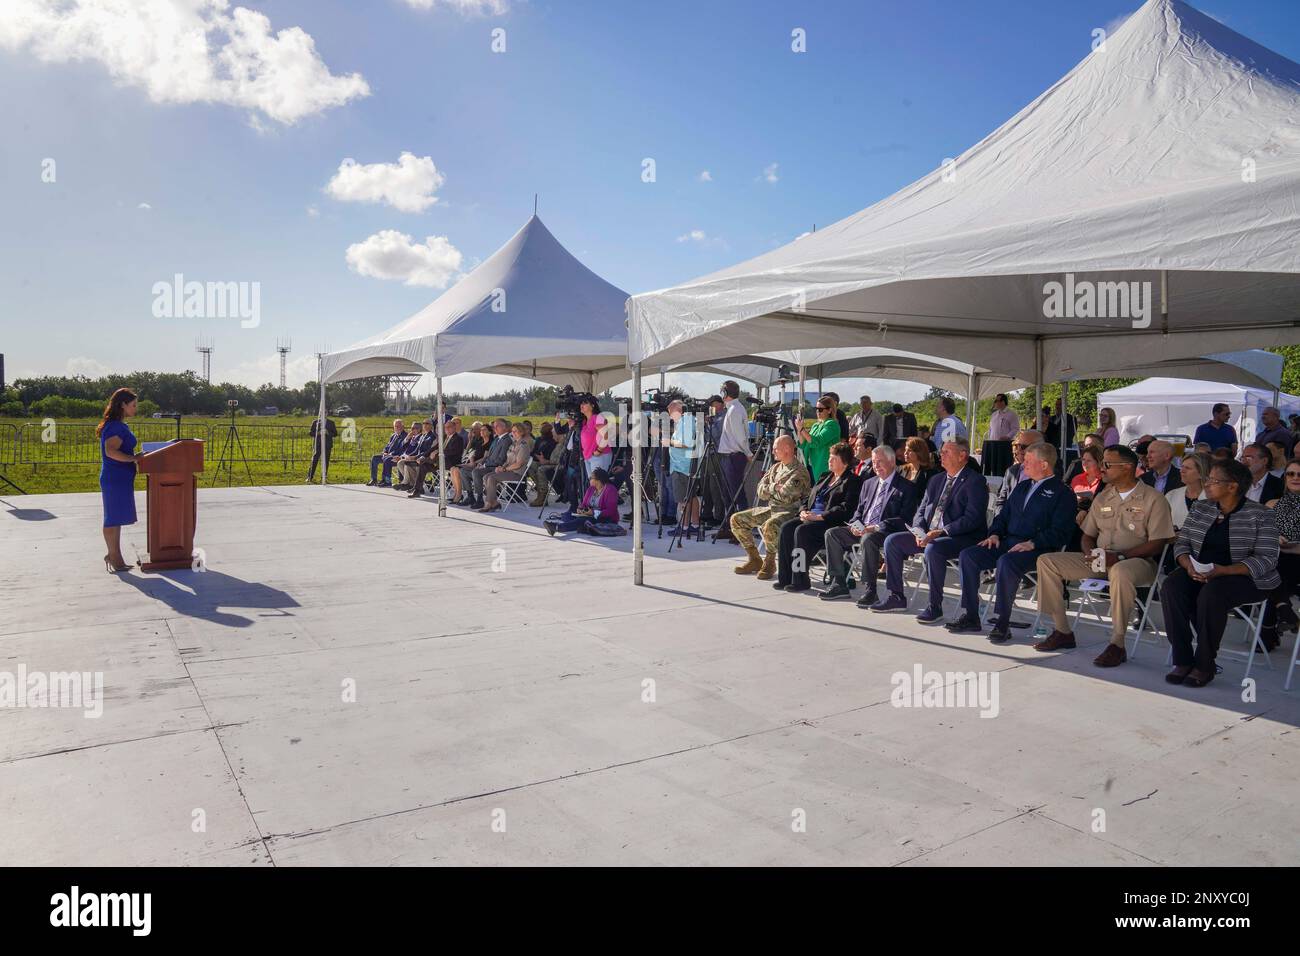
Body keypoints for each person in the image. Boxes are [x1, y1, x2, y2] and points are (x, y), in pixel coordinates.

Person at [1033, 445, 1175, 667]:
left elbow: (1158, 543)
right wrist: (1090, 552)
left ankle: (1117, 644)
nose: (1101, 468)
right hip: (1100, 560)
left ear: (1127, 467)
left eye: (1107, 464)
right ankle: (1062, 631)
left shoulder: (1153, 499)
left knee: (1120, 571)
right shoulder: (1103, 497)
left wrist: (1120, 557)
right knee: (1047, 561)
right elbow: (1087, 535)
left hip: (1137, 563)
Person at [1161, 458, 1280, 688]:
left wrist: (1224, 571)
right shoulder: (1201, 508)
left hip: (1244, 577)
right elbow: (1182, 543)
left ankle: (1204, 664)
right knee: (1171, 587)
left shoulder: (1261, 514)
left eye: (1213, 480)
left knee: (1212, 593)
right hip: (1199, 570)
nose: (1206, 484)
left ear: (1232, 486)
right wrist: (1187, 565)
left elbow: (1266, 558)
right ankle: (1182, 659)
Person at [949, 441, 1076, 641]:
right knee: (968, 556)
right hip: (1008, 542)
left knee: (1006, 562)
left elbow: (1061, 532)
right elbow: (1003, 516)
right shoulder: (1023, 486)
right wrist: (994, 534)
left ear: (1044, 465)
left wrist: (1033, 543)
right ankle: (971, 615)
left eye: (1029, 461)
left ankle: (1002, 622)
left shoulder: (1063, 493)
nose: (1023, 464)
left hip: (1039, 549)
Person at [873, 437, 989, 623]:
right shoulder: (936, 480)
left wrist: (942, 531)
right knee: (892, 541)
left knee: (933, 548)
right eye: (941, 451)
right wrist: (919, 529)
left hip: (960, 537)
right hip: (929, 534)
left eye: (946, 452)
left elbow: (972, 518)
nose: (941, 455)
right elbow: (921, 510)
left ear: (962, 455)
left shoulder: (975, 481)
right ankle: (896, 596)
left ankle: (934, 606)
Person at [819, 445, 919, 607]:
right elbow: (859, 511)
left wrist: (876, 527)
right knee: (832, 534)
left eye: (880, 462)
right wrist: (855, 524)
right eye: (873, 462)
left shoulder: (906, 487)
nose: (876, 466)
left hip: (886, 532)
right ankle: (839, 583)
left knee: (868, 538)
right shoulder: (869, 483)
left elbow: (905, 519)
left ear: (892, 462)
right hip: (863, 529)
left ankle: (870, 590)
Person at [774, 442, 862, 592]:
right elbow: (807, 498)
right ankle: (785, 578)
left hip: (829, 523)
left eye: (834, 458)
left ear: (845, 462)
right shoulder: (825, 476)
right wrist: (803, 511)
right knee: (786, 528)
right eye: (829, 457)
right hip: (811, 518)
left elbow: (846, 509)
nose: (829, 460)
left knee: (802, 531)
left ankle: (800, 580)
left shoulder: (853, 481)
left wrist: (819, 517)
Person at [730, 435, 812, 581]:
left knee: (770, 525)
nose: (773, 451)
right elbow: (760, 491)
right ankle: (754, 559)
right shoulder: (775, 468)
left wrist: (770, 490)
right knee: (737, 519)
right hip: (772, 509)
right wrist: (775, 487)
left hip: (790, 512)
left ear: (787, 449)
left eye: (775, 449)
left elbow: (786, 496)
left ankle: (770, 562)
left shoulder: (799, 471)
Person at [98, 387, 141, 572]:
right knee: (112, 519)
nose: (135, 408)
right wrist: (134, 458)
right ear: (123, 405)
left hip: (121, 478)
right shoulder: (115, 426)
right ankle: (114, 556)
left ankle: (115, 556)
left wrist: (135, 457)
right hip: (114, 478)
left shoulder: (118, 424)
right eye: (133, 405)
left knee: (115, 519)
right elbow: (111, 451)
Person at [1262, 461, 1300, 646]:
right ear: (1285, 478)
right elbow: (1260, 536)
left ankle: (1269, 629)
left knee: (1275, 570)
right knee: (1271, 566)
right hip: (1274, 559)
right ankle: (1284, 609)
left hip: (1296, 562)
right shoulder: (1272, 504)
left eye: (1299, 475)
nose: (1295, 478)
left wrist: (1292, 547)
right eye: (1291, 474)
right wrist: (1275, 538)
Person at [544, 468, 620, 535]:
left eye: (591, 478)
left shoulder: (610, 490)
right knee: (568, 515)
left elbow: (611, 511)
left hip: (605, 518)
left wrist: (593, 513)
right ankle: (583, 527)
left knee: (582, 520)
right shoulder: (591, 489)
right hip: (590, 515)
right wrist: (580, 509)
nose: (589, 479)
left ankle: (557, 527)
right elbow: (584, 504)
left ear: (598, 480)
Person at [717, 380, 753, 514]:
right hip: (730, 457)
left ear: (725, 393)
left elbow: (740, 437)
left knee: (736, 493)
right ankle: (730, 523)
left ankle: (742, 522)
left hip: (733, 457)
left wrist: (748, 453)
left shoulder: (734, 410)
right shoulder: (734, 408)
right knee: (728, 494)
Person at [460, 419, 512, 509]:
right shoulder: (497, 439)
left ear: (505, 427)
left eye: (498, 426)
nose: (495, 428)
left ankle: (480, 499)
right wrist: (482, 464)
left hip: (496, 468)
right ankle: (470, 496)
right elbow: (488, 456)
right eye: (494, 426)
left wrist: (484, 465)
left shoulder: (506, 440)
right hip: (488, 465)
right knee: (463, 471)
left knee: (476, 472)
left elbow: (501, 459)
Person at [480, 423, 534, 511]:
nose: (513, 433)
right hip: (508, 471)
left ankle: (489, 503)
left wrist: (504, 469)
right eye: (512, 431)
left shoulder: (523, 446)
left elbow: (518, 464)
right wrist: (501, 467)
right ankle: (495, 502)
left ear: (521, 432)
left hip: (517, 473)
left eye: (515, 431)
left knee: (492, 478)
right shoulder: (513, 444)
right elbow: (508, 461)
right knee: (486, 476)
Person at [667, 400, 702, 534]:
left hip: (682, 466)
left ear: (679, 410)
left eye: (670, 412)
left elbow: (686, 443)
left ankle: (684, 526)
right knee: (691, 496)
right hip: (686, 465)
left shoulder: (686, 422)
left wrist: (669, 441)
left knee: (683, 498)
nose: (669, 415)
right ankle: (695, 525)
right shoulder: (688, 421)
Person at [408, 418, 465, 499]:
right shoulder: (444, 437)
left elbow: (452, 451)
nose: (447, 429)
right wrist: (420, 456)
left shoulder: (458, 438)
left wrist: (438, 453)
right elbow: (433, 448)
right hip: (438, 463)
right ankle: (417, 490)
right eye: (446, 427)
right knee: (423, 466)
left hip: (451, 463)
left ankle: (422, 461)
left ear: (454, 428)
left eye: (449, 427)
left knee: (426, 460)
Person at [993, 430, 1043, 514]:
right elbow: (1000, 502)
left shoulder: (1047, 473)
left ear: (1039, 448)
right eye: (1017, 446)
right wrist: (1003, 518)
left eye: (1023, 446)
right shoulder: (1011, 471)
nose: (1018, 450)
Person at [796, 398, 839, 481]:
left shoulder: (832, 425)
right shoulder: (816, 425)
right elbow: (803, 444)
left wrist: (802, 429)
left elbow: (817, 441)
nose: (817, 412)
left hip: (824, 468)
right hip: (811, 466)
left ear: (829, 410)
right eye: (816, 409)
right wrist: (799, 429)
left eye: (820, 409)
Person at [1167, 451, 1210, 530]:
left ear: (1201, 473)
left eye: (1187, 468)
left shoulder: (1212, 497)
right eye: (1182, 467)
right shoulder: (1171, 495)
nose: (1181, 471)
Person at [393, 419, 435, 491]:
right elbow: (402, 448)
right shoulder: (418, 436)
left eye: (416, 428)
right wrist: (407, 438)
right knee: (400, 462)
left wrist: (413, 457)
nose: (413, 430)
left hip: (424, 459)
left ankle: (406, 483)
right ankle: (413, 483)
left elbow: (426, 451)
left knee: (406, 463)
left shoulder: (427, 436)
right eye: (412, 428)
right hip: (414, 457)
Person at [527, 422, 561, 506]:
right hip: (540, 461)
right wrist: (538, 457)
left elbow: (555, 458)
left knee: (540, 470)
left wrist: (544, 460)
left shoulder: (554, 442)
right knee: (530, 467)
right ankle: (540, 490)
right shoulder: (539, 440)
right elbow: (533, 452)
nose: (542, 436)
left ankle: (542, 496)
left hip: (550, 463)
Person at [367, 419, 407, 487]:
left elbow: (402, 449)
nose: (397, 428)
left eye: (398, 426)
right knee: (375, 458)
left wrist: (390, 454)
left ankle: (387, 481)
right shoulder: (393, 435)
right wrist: (385, 452)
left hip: (397, 457)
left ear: (403, 427)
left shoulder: (405, 436)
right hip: (388, 455)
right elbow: (387, 446)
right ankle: (374, 479)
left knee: (387, 460)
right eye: (395, 426)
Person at [579, 398, 612, 474]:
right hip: (588, 456)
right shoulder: (585, 422)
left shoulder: (597, 418)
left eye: (585, 403)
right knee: (592, 480)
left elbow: (606, 435)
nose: (582, 405)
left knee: (597, 480)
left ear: (592, 406)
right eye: (581, 403)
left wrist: (599, 450)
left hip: (599, 456)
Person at [306, 414, 337, 483]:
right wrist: (318, 433)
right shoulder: (315, 422)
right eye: (322, 413)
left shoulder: (331, 423)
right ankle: (309, 477)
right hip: (318, 445)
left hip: (327, 445)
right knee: (314, 460)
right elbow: (311, 433)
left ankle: (324, 478)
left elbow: (335, 433)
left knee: (326, 461)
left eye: (325, 412)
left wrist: (328, 432)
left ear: (327, 413)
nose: (323, 414)